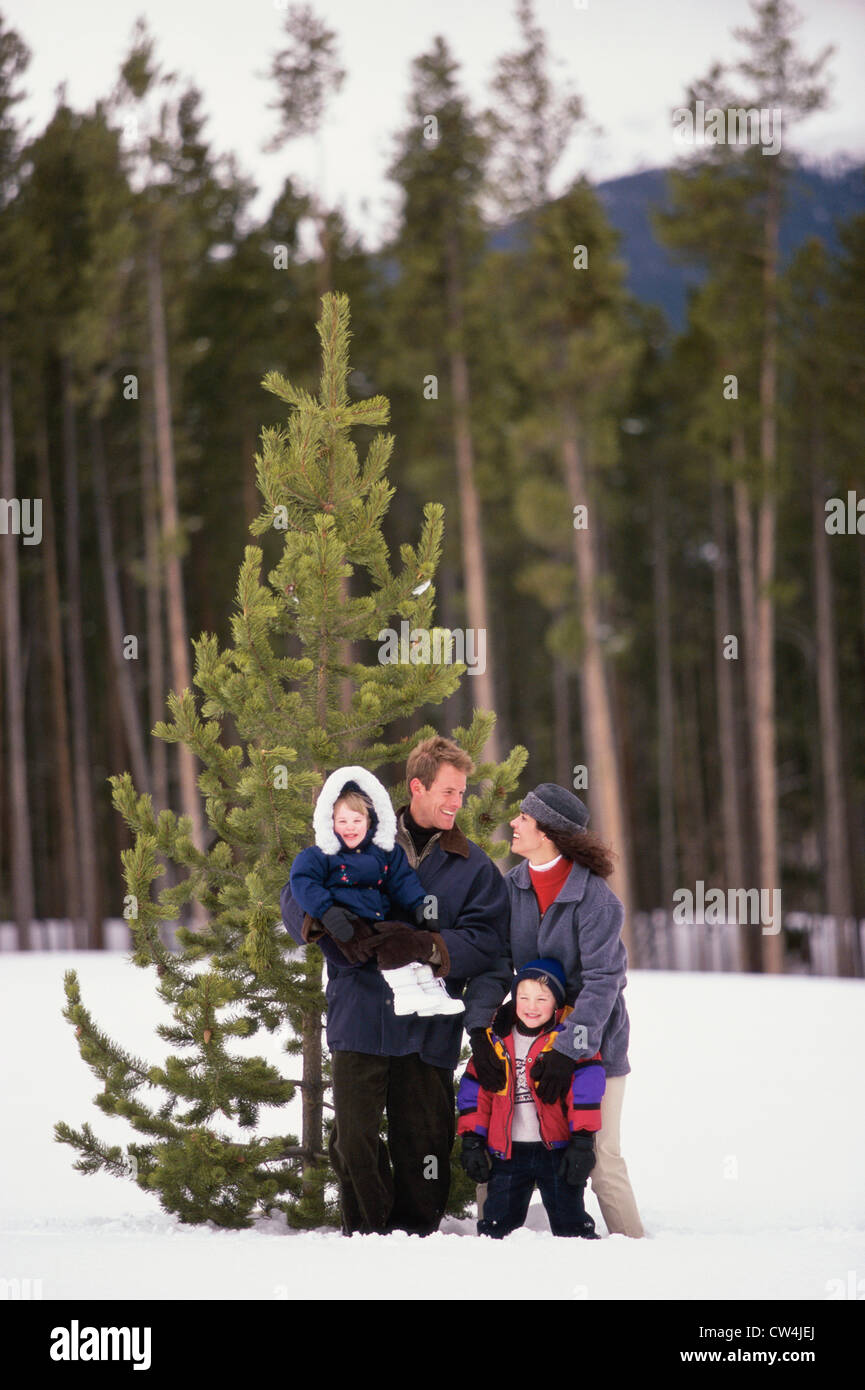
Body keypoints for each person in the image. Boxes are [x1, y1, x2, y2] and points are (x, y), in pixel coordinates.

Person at [280, 736, 509, 1236]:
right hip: (359, 1012)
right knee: (353, 1139)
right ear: (417, 787)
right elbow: (293, 892)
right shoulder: (359, 830)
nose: (456, 802)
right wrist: (329, 924)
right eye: (448, 791)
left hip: (427, 1027)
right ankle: (367, 1231)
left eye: (463, 793)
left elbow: (488, 941)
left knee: (423, 1143)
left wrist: (428, 947)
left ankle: (415, 1237)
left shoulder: (474, 868)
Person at [464, 783, 645, 1239]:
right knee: (498, 1141)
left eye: (524, 817)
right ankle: (489, 1245)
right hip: (522, 1039)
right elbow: (494, 965)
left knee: (602, 1154)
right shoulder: (512, 888)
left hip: (594, 1043)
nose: (514, 823)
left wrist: (568, 1049)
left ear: (548, 833)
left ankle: (636, 1247)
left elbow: (604, 981)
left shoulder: (597, 899)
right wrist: (481, 1030)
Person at [289, 765, 463, 1017]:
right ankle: (406, 995)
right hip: (343, 928)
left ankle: (431, 993)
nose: (350, 828)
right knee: (392, 944)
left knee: (408, 936)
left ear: (370, 821)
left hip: (374, 920)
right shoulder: (320, 856)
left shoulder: (384, 854)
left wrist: (421, 905)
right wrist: (326, 911)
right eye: (342, 821)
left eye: (357, 821)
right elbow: (303, 881)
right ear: (330, 822)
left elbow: (402, 880)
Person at [458, 958, 604, 1239]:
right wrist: (472, 1140)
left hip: (556, 1150)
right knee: (497, 1226)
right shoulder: (496, 1041)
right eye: (524, 997)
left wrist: (583, 1141)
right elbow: (475, 1093)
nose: (532, 1006)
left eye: (542, 998)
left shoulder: (567, 1042)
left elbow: (586, 1091)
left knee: (570, 1222)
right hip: (508, 1152)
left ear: (557, 1003)